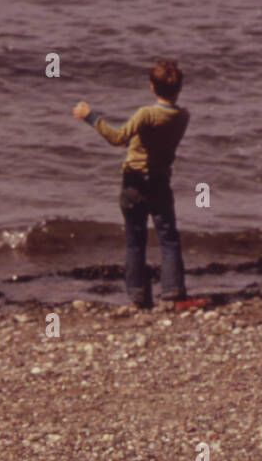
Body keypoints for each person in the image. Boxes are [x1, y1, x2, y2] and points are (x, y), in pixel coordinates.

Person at [72, 59, 189, 308]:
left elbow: (117, 138)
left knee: (136, 240)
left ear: (151, 87)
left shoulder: (146, 113)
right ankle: (173, 291)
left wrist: (90, 116)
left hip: (134, 182)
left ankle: (137, 296)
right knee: (168, 237)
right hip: (160, 181)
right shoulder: (182, 116)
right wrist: (134, 142)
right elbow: (155, 140)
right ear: (179, 88)